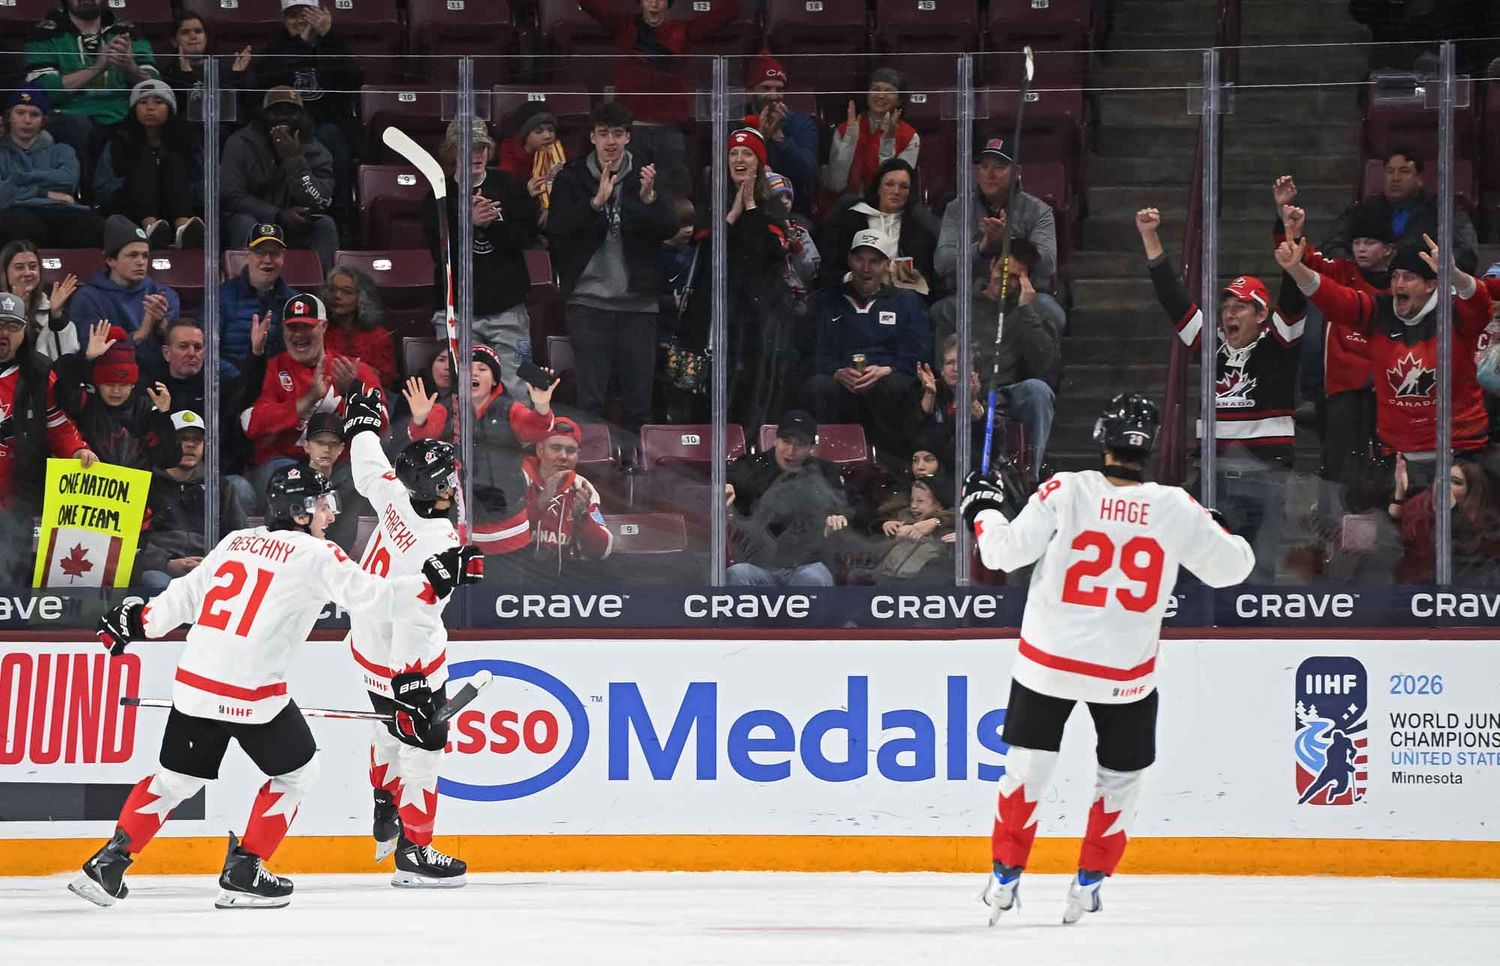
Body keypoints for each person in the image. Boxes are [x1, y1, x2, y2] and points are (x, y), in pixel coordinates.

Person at [69, 465, 483, 909]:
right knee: (297, 773)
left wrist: (134, 622)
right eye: (323, 505)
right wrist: (437, 578)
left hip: (195, 685)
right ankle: (246, 870)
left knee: (175, 779)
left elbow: (180, 600)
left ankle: (106, 867)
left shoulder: (234, 542)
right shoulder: (318, 556)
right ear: (302, 512)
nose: (329, 514)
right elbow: (378, 598)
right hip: (253, 694)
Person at [961, 392, 1254, 925]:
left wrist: (981, 508)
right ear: (1153, 446)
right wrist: (1216, 524)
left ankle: (1004, 877)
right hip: (1125, 674)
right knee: (1120, 778)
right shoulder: (1175, 506)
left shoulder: (1065, 490)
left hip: (1048, 661)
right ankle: (1089, 884)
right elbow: (1233, 569)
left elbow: (1001, 553)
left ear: (1102, 437)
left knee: (1027, 769)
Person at [342, 387, 473, 885]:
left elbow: (366, 465)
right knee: (424, 745)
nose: (453, 488)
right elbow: (418, 618)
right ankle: (415, 851)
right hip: (403, 658)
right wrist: (413, 683)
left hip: (367, 645)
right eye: (448, 481)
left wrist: (361, 425)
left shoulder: (397, 493)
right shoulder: (438, 543)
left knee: (385, 731)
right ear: (436, 489)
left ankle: (384, 805)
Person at [1139, 207, 1302, 583]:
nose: (1230, 313)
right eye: (1227, 306)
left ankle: (1256, 635)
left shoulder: (1278, 343)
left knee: (1257, 572)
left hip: (1268, 473)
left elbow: (1293, 300)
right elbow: (1174, 299)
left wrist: (1289, 238)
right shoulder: (1211, 346)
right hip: (1216, 474)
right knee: (1203, 568)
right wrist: (1151, 238)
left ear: (1262, 315)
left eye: (1241, 306)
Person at [1279, 231, 1493, 488]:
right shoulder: (1379, 312)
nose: (1398, 284)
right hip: (1398, 457)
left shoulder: (1454, 314)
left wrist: (1455, 274)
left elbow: (1479, 303)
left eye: (1409, 277)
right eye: (1395, 276)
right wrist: (1297, 270)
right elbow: (1335, 299)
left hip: (1458, 453)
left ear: (1431, 284)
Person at [549, 101, 676, 455]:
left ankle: (637, 470)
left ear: (628, 137)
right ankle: (592, 465)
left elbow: (670, 228)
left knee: (639, 398)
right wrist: (594, 205)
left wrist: (650, 201)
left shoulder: (646, 176)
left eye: (618, 133)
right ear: (592, 137)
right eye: (603, 133)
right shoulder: (572, 177)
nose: (611, 141)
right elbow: (557, 231)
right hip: (589, 302)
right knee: (591, 398)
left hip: (639, 304)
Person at [681, 120, 794, 432]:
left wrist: (751, 207)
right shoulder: (712, 204)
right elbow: (707, 252)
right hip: (716, 317)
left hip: (758, 319)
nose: (740, 160)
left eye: (747, 154)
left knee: (752, 389)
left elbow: (768, 252)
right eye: (734, 154)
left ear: (760, 162)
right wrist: (731, 216)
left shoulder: (772, 207)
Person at [422, 117, 539, 404]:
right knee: (457, 391)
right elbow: (441, 255)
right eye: (468, 147)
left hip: (507, 311)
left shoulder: (509, 185)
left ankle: (516, 447)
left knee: (520, 386)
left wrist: (491, 225)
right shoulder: (437, 196)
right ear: (452, 152)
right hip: (458, 313)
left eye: (482, 147)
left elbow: (526, 239)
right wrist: (469, 224)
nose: (476, 154)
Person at [405, 345, 558, 556]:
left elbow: (536, 430)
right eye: (468, 368)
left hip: (510, 530)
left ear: (495, 379)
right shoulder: (446, 408)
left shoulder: (510, 409)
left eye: (482, 368)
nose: (474, 372)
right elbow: (423, 442)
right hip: (460, 527)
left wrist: (542, 407)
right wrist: (420, 418)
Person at [578, 0, 742, 195]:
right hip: (633, 130)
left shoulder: (683, 30)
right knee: (630, 193)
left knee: (671, 194)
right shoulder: (624, 27)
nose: (654, 3)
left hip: (670, 131)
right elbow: (590, 4)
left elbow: (729, 11)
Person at [929, 247, 1059, 477]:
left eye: (1015, 276)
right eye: (1002, 270)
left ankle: (1031, 477)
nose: (1005, 279)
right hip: (966, 388)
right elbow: (943, 359)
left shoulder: (1034, 311)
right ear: (991, 265)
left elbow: (1046, 367)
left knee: (1038, 390)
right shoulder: (957, 307)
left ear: (1027, 280)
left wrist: (1026, 311)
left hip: (1006, 394)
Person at [243, 293, 383, 502]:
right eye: (292, 328)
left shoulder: (353, 370)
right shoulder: (271, 369)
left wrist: (351, 394)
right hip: (281, 467)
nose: (298, 335)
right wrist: (308, 400)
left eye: (307, 327)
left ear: (323, 327)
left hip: (337, 469)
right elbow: (252, 424)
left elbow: (382, 426)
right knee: (285, 473)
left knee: (358, 478)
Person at [802, 229, 929, 459]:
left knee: (895, 387)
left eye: (874, 261)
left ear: (887, 265)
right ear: (850, 260)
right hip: (840, 382)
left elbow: (917, 352)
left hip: (885, 380)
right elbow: (810, 352)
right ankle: (824, 462)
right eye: (860, 259)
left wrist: (887, 369)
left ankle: (890, 465)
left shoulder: (906, 302)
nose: (866, 268)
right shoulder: (825, 301)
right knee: (818, 387)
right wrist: (835, 372)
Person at [935, 136, 1063, 333]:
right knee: (939, 312)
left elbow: (1048, 264)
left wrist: (1008, 241)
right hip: (972, 296)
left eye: (1000, 167)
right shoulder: (957, 208)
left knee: (1054, 315)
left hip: (1021, 295)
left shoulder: (1039, 210)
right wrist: (982, 247)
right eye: (984, 167)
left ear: (1017, 172)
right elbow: (942, 263)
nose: (990, 174)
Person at [22, 0, 160, 171]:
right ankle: (87, 193)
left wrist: (130, 66)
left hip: (121, 115)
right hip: (69, 116)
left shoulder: (126, 31)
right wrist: (98, 66)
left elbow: (154, 85)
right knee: (80, 128)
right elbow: (44, 91)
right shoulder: (46, 33)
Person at [253, 0, 362, 213]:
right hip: (286, 121)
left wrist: (328, 36)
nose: (300, 20)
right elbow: (265, 80)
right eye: (292, 15)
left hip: (327, 122)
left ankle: (338, 211)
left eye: (305, 14)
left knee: (333, 135)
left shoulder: (335, 43)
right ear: (283, 20)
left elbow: (353, 79)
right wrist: (301, 45)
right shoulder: (275, 48)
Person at [725, 409, 850, 587]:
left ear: (810, 447)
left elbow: (845, 504)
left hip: (807, 565)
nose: (791, 451)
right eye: (786, 441)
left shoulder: (824, 471)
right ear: (775, 439)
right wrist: (726, 483)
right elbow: (729, 477)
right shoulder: (753, 465)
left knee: (816, 579)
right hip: (758, 565)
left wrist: (838, 516)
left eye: (800, 444)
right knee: (736, 574)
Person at [0, 290, 96, 517]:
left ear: (24, 331)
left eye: (13, 326)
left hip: (17, 502)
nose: (4, 333)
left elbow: (58, 426)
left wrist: (78, 451)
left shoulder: (39, 374)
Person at [221, 87, 337, 271]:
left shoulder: (316, 151)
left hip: (295, 227)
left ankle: (321, 292)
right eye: (276, 111)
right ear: (263, 115)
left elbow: (320, 201)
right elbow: (231, 196)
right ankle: (245, 290)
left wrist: (294, 160)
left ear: (301, 116)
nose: (283, 117)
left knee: (324, 225)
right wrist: (277, 215)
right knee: (243, 222)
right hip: (255, 220)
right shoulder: (241, 143)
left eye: (291, 112)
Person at [136, 409, 249, 592]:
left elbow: (240, 540)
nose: (190, 445)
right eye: (182, 438)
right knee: (157, 582)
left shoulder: (221, 487)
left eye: (197, 440)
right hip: (161, 569)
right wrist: (166, 563)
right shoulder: (145, 484)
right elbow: (129, 545)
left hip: (211, 568)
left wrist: (212, 562)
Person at [1321, 147, 1479, 274]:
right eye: (1390, 171)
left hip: (1424, 286)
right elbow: (1330, 247)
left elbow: (1467, 254)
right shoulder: (1365, 209)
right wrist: (1363, 263)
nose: (1395, 178)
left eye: (1404, 171)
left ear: (1419, 179)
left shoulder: (1442, 210)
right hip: (1367, 284)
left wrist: (1419, 265)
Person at [53, 321, 179, 473]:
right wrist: (85, 359)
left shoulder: (145, 409)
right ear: (98, 383)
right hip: (86, 489)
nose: (116, 391)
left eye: (123, 385)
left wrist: (163, 417)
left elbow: (169, 459)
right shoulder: (85, 403)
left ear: (132, 385)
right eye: (109, 384)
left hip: (134, 493)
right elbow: (62, 392)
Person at [93, 80, 204, 249]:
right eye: (143, 102)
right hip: (131, 212)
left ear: (170, 108)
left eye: (158, 102)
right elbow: (103, 189)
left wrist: (172, 186)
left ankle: (184, 229)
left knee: (173, 163)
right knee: (145, 163)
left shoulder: (186, 142)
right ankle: (151, 228)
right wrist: (135, 184)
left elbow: (205, 186)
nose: (150, 108)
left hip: (181, 206)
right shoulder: (119, 141)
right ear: (134, 109)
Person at [818, 158, 939, 298]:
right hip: (852, 294)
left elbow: (926, 275)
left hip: (900, 298)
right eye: (889, 184)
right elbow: (830, 269)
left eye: (904, 186)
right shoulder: (849, 218)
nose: (896, 191)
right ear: (878, 187)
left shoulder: (919, 226)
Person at [0, 86, 104, 249]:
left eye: (34, 114)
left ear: (43, 120)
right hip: (17, 213)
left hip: (61, 210)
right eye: (20, 113)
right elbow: (2, 195)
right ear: (8, 118)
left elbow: (67, 180)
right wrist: (44, 192)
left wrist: (18, 179)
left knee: (94, 225)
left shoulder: (62, 151)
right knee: (20, 225)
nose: (27, 120)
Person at [516, 417, 614, 577]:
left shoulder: (582, 487)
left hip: (564, 587)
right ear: (540, 450)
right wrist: (540, 503)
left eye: (570, 451)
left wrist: (582, 518)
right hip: (513, 583)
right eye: (556, 448)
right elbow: (500, 535)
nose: (563, 456)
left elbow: (603, 550)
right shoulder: (517, 478)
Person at [68, 215, 181, 354]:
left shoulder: (164, 295)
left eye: (145, 256)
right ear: (111, 260)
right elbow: (91, 352)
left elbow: (174, 350)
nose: (141, 262)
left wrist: (162, 326)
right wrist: (141, 334)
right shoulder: (87, 299)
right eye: (133, 255)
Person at [822, 67, 920, 202]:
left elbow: (892, 190)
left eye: (889, 91)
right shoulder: (845, 129)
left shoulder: (909, 136)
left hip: (886, 210)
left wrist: (887, 141)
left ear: (900, 99)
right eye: (876, 89)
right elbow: (836, 185)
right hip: (845, 209)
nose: (880, 95)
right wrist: (849, 140)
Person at [743, 51, 817, 213]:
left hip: (791, 211)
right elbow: (720, 174)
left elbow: (808, 173)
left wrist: (780, 138)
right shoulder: (737, 124)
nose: (773, 96)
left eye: (779, 89)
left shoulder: (801, 124)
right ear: (750, 92)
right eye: (766, 88)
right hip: (744, 207)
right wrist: (758, 137)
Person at [220, 222, 297, 372]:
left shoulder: (293, 302)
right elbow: (206, 351)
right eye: (260, 252)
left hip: (277, 385)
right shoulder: (221, 296)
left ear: (283, 257)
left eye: (274, 253)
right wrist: (242, 381)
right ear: (247, 255)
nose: (268, 260)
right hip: (232, 386)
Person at [157, 11, 252, 112]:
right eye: (185, 32)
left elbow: (231, 108)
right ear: (174, 41)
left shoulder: (225, 69)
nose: (193, 36)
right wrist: (187, 77)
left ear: (206, 37)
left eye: (198, 31)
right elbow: (189, 110)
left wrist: (237, 76)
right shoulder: (169, 74)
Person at [1, 238, 78, 360]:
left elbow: (66, 356)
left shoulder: (47, 307)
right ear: (5, 272)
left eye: (33, 266)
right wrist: (16, 311)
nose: (28, 273)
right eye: (19, 267)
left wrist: (56, 317)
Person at [320, 266, 395, 389]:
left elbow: (385, 380)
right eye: (332, 290)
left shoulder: (378, 336)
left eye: (347, 292)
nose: (337, 296)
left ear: (362, 298)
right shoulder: (319, 331)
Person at [495, 101, 566, 226]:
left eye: (551, 130)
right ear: (525, 135)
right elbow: (505, 204)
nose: (548, 136)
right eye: (539, 131)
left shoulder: (560, 156)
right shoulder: (509, 164)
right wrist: (526, 193)